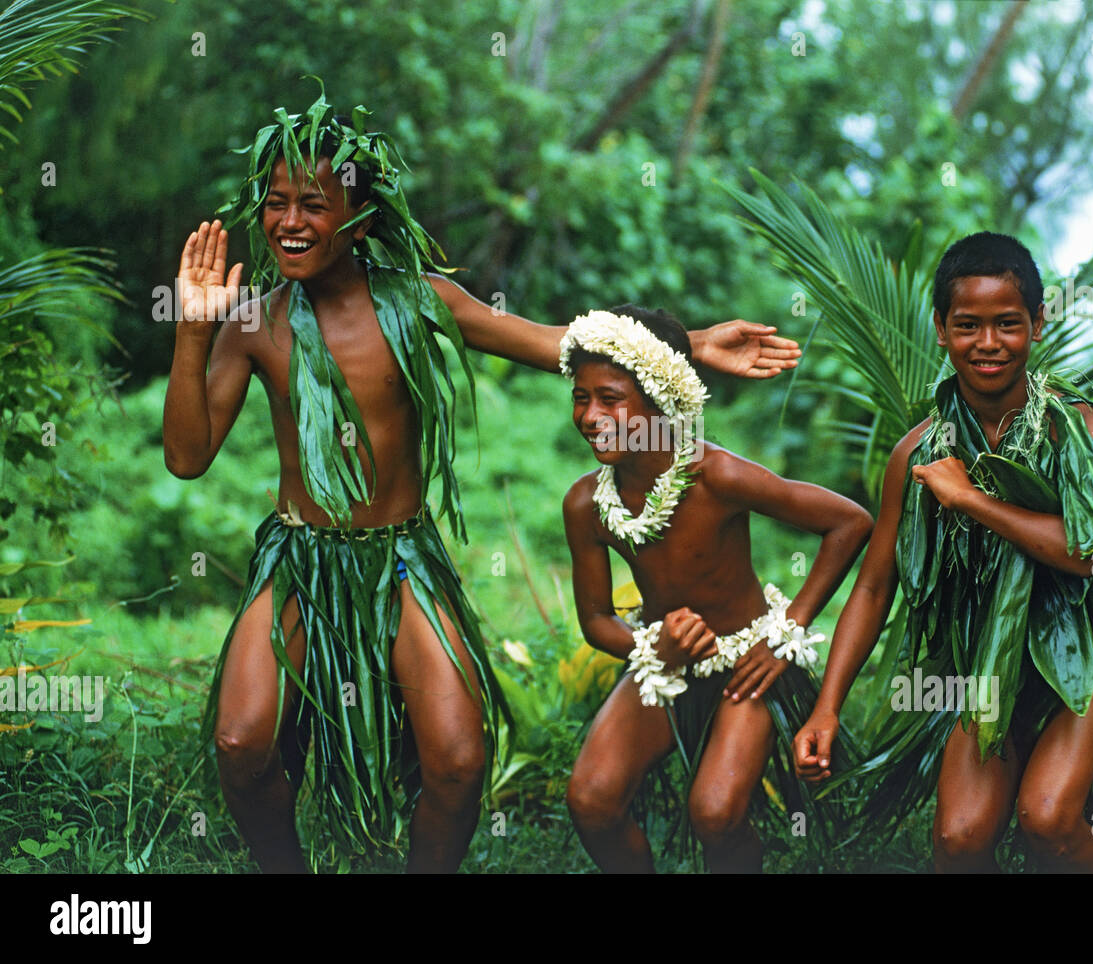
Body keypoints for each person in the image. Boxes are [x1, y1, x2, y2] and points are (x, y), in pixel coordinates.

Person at [162, 90, 802, 873]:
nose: (290, 221)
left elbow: (552, 342)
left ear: (360, 216)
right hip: (300, 559)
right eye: (277, 203)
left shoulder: (420, 300)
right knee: (240, 740)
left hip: (401, 559)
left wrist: (686, 344)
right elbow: (187, 457)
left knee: (460, 759)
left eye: (314, 204)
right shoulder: (253, 323)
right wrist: (195, 331)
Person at [793, 232, 1093, 872]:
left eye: (1008, 324)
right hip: (982, 665)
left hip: (1084, 656)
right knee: (959, 841)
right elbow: (874, 588)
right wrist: (826, 707)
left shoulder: (1079, 426)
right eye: (968, 326)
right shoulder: (915, 455)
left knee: (1048, 821)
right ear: (939, 329)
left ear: (1038, 324)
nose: (988, 344)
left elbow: (1082, 548)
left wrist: (970, 499)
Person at [560, 306, 873, 872]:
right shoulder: (587, 505)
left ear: (661, 399)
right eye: (581, 397)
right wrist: (652, 651)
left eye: (611, 398)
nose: (591, 415)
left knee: (715, 812)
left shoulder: (717, 476)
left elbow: (848, 522)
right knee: (591, 800)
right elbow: (596, 620)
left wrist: (787, 631)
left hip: (747, 661)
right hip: (666, 659)